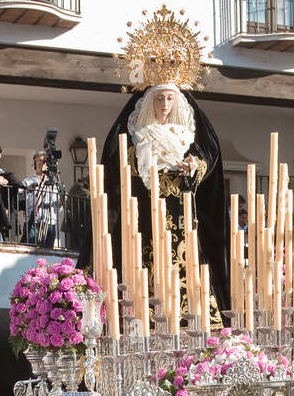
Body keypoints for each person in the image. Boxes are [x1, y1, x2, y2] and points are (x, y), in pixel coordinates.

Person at [77, 83, 229, 313]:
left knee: (186, 262)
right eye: (160, 99)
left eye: (169, 99)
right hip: (146, 216)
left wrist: (194, 166)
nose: (165, 105)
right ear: (150, 101)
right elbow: (118, 166)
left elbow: (208, 159)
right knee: (146, 261)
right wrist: (145, 153)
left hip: (181, 215)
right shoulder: (138, 134)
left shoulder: (186, 132)